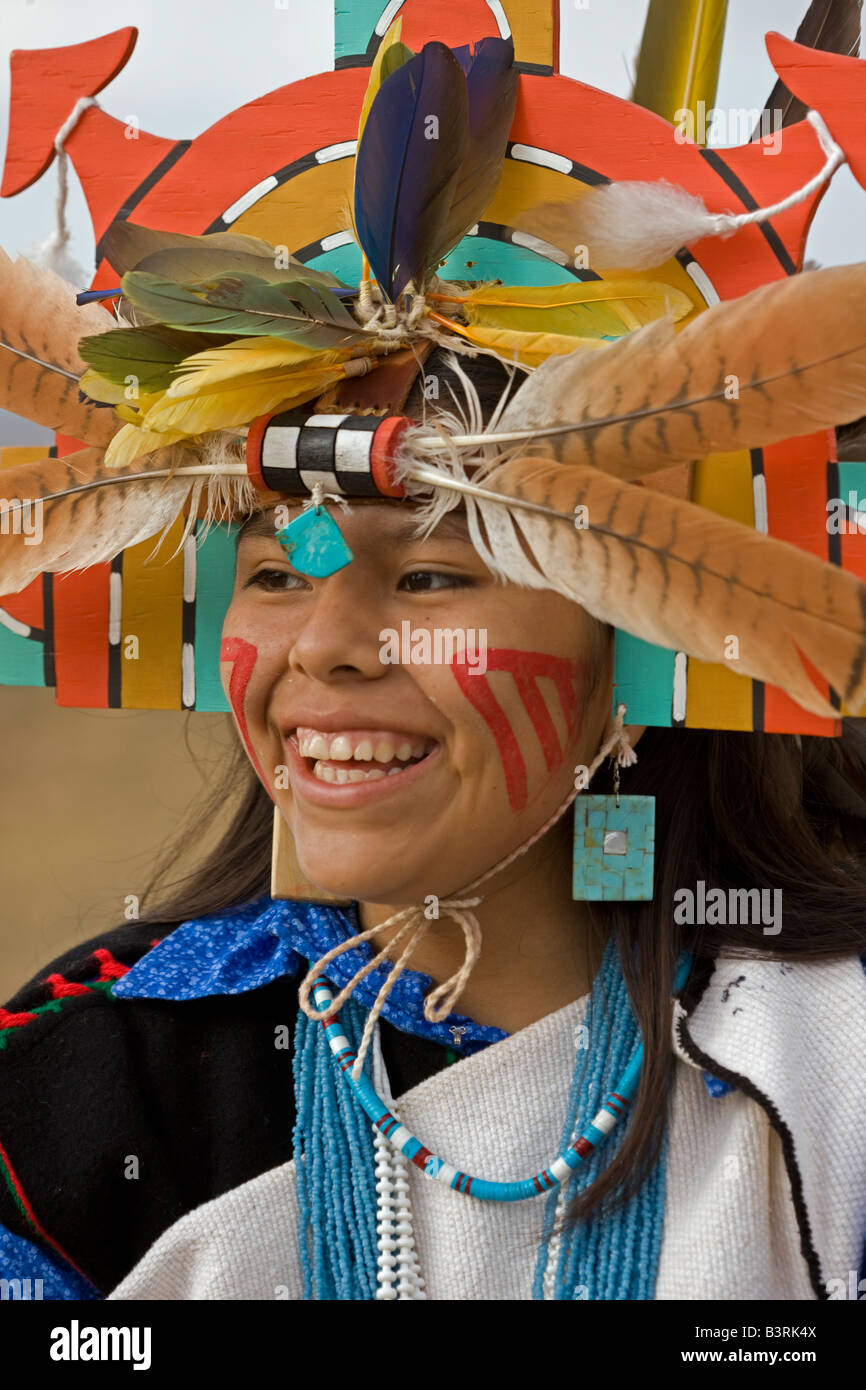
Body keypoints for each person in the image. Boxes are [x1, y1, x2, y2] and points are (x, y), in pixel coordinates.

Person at [1, 20, 866, 1302]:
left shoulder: (830, 1065)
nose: (323, 652)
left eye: (427, 576)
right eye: (279, 572)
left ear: (636, 635)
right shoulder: (85, 1105)